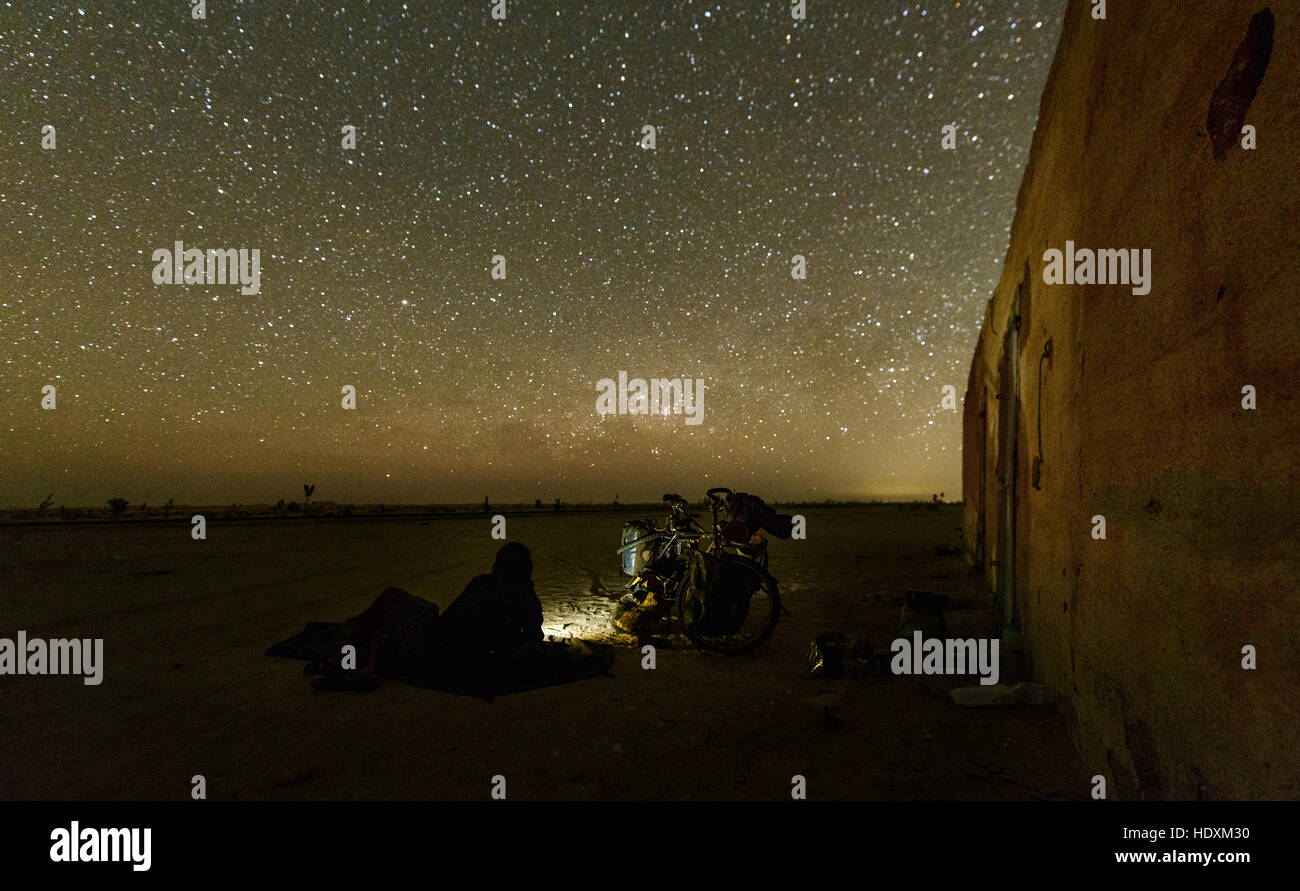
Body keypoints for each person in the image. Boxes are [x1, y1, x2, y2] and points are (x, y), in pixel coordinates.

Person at [323, 542, 544, 687]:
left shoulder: (484, 584)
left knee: (390, 597)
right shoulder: (527, 599)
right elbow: (534, 636)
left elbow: (451, 621)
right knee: (384, 632)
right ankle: (367, 666)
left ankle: (344, 656)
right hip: (451, 659)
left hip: (430, 646)